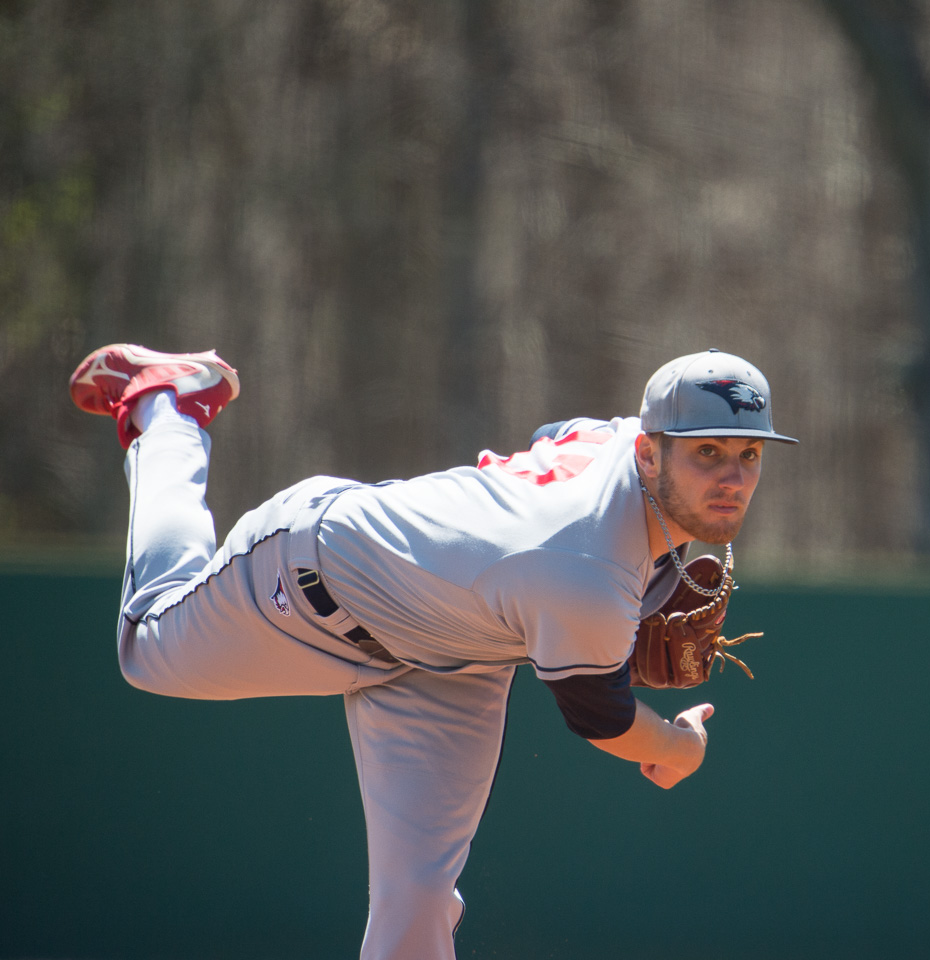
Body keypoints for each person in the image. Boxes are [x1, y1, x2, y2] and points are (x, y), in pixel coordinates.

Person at [68, 344, 796, 960]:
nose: (732, 477)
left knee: (416, 903)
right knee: (146, 647)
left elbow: (556, 433)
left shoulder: (613, 441)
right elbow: (602, 719)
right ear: (648, 451)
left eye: (748, 453)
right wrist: (677, 747)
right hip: (315, 575)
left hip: (459, 654)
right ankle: (168, 406)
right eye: (706, 452)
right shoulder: (586, 573)